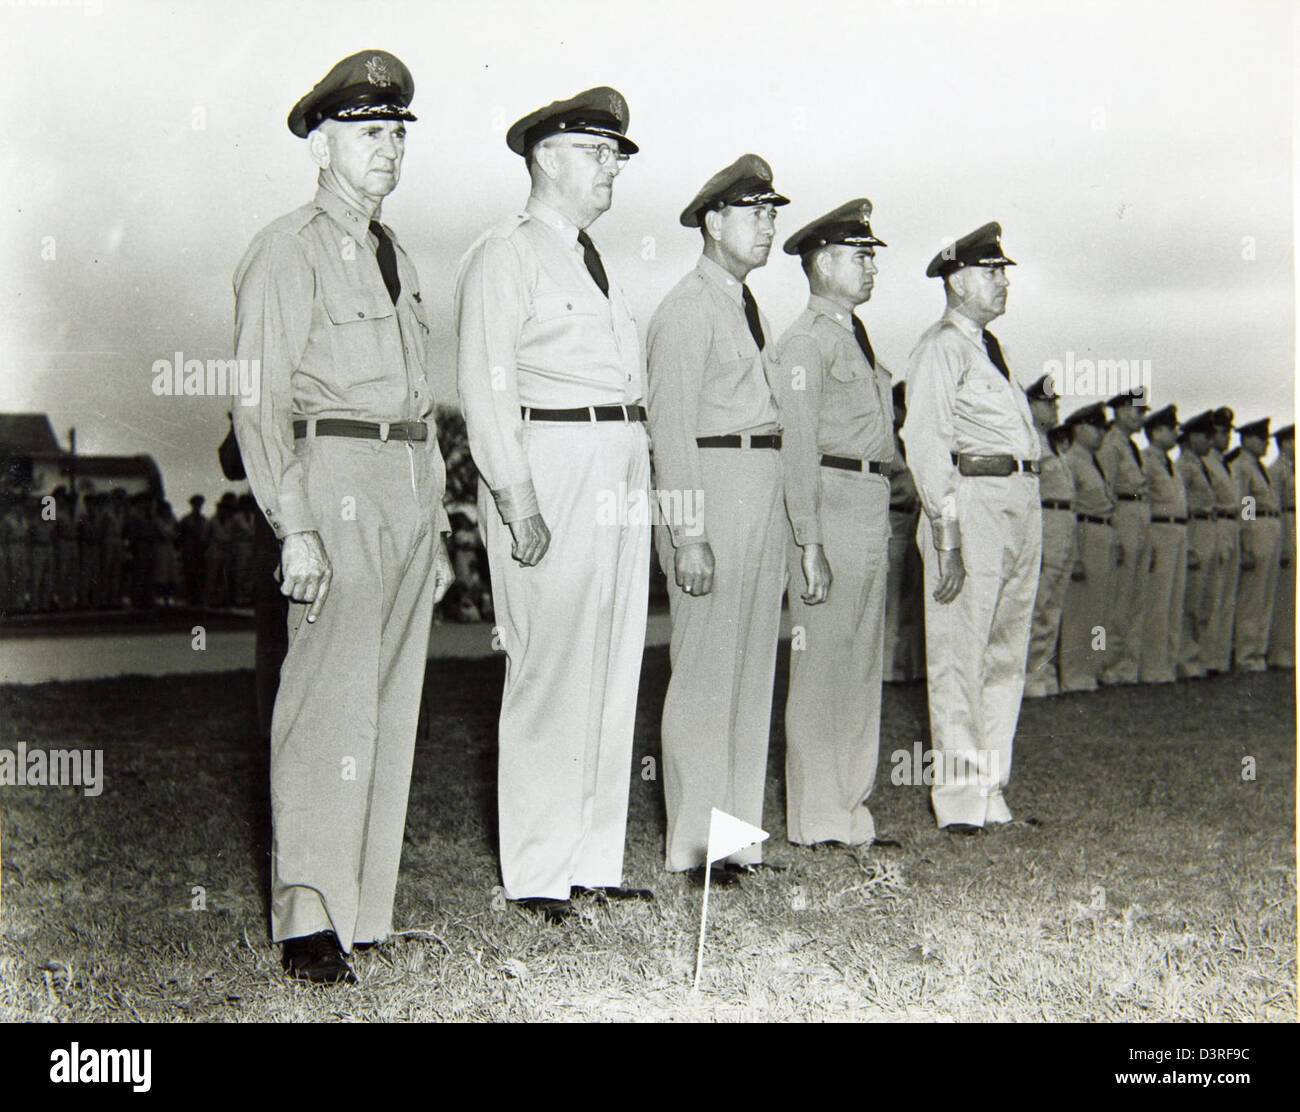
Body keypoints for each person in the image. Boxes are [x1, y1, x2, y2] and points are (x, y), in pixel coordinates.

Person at [232, 50, 454, 983]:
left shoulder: (394, 253)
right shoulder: (287, 248)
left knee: (390, 702)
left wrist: (439, 528)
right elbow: (257, 398)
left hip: (407, 479)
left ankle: (364, 907)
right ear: (321, 142)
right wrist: (297, 525)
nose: (388, 149)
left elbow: (422, 401)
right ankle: (308, 916)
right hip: (335, 472)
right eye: (369, 132)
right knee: (327, 702)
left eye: (398, 133)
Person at [454, 86, 652, 924]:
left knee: (611, 664)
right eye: (595, 151)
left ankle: (593, 861)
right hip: (554, 461)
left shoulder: (591, 262)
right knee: (549, 669)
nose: (611, 167)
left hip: (619, 461)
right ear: (543, 157)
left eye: (616, 154)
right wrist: (516, 495)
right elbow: (484, 384)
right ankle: (538, 873)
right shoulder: (507, 254)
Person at [647, 153, 811, 874]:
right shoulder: (687, 308)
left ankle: (734, 837)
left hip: (758, 484)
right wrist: (689, 532)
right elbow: (671, 428)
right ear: (713, 222)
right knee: (708, 672)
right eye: (754, 213)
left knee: (750, 672)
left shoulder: (748, 308)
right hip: (712, 486)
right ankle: (695, 841)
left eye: (773, 213)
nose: (768, 226)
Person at [901, 222, 1040, 834]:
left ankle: (990, 788)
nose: (1003, 282)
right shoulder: (941, 348)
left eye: (1004, 271)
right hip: (972, 500)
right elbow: (926, 445)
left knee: (1005, 653)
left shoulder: (989, 351)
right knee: (960, 652)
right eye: (991, 272)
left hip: (1017, 499)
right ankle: (959, 799)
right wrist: (946, 534)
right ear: (957, 282)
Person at [775, 198, 894, 848]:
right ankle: (817, 814)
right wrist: (809, 537)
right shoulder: (806, 341)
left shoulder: (852, 336)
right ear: (820, 264)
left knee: (858, 664)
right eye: (857, 255)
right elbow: (795, 444)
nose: (870, 267)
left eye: (872, 255)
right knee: (821, 662)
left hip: (869, 494)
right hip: (831, 494)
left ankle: (850, 809)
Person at [1058, 403, 1117, 692]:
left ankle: (1090, 669)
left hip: (1102, 532)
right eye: (1095, 427)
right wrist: (1077, 555)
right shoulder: (1071, 460)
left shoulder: (1095, 461)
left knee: (1097, 610)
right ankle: (1072, 673)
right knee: (1078, 610)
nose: (1100, 434)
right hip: (1084, 531)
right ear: (1080, 428)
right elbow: (1070, 509)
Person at [1024, 376, 1076, 698]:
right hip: (1043, 519)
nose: (1054, 408)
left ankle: (1042, 673)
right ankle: (1028, 674)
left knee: (1052, 604)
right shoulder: (1028, 440)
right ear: (1030, 406)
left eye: (1055, 403)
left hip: (1062, 522)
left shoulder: (1049, 443)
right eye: (1047, 402)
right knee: (1038, 603)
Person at [1098, 391, 1151, 685]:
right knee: (1120, 597)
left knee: (1136, 596)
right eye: (1133, 411)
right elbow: (1106, 487)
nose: (1139, 417)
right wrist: (1115, 532)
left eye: (1142, 412)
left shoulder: (1131, 446)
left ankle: (1127, 666)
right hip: (1124, 513)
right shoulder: (1111, 445)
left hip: (1140, 512)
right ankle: (1109, 665)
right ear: (1118, 412)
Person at [1137, 405, 1187, 683]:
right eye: (1170, 428)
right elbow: (1142, 500)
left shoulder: (1169, 463)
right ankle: (1152, 666)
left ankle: (1168, 663)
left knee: (1173, 600)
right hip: (1159, 529)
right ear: (1155, 432)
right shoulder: (1146, 461)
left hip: (1178, 530)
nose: (1175, 433)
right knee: (1157, 600)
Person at [1230, 418, 1282, 672]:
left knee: (1266, 594)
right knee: (1252, 596)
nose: (1266, 444)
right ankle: (1246, 653)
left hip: (1271, 526)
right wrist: (1247, 541)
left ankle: (1258, 652)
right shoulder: (1243, 467)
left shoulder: (1259, 467)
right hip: (1257, 526)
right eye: (1262, 439)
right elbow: (1246, 507)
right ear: (1248, 439)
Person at [884, 381, 925, 683]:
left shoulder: (902, 440)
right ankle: (888, 668)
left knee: (908, 598)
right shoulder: (884, 437)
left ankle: (904, 666)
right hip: (892, 518)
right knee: (892, 598)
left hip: (910, 519)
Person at [1176, 410, 1219, 679]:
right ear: (1192, 437)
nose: (1209, 442)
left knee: (1205, 599)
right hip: (1194, 528)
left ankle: (1198, 656)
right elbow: (1182, 505)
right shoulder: (1183, 467)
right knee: (1191, 599)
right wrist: (1190, 545)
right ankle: (1186, 659)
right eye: (1206, 436)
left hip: (1209, 528)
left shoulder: (1202, 465)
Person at [1202, 408, 1240, 672]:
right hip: (1217, 524)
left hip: (1233, 523)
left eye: (1228, 432)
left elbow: (1244, 501)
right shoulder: (1205, 463)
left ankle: (1220, 657)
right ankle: (1208, 657)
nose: (1225, 437)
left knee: (1227, 596)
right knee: (1213, 595)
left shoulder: (1227, 464)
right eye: (1221, 432)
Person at [1267, 424, 1295, 668]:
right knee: (1285, 593)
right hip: (1285, 520)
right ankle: (1280, 651)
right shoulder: (1276, 471)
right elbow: (1266, 505)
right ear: (1285, 443)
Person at [178, 494, 207, 606]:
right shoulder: (186, 520)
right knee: (189, 574)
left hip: (200, 550)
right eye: (196, 504)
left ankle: (198, 598)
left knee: (200, 574)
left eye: (200, 504)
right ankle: (189, 598)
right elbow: (180, 535)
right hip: (189, 549)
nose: (198, 506)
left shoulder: (204, 519)